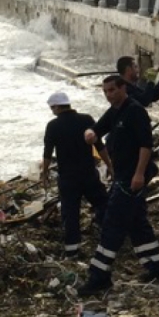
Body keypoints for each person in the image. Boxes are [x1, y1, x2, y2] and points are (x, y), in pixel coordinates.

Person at [77, 75, 159, 296]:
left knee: (112, 224)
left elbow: (145, 145)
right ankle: (158, 267)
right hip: (121, 176)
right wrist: (90, 133)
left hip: (131, 178)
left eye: (112, 90)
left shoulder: (135, 111)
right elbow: (98, 128)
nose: (109, 95)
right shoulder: (116, 111)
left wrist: (139, 174)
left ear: (123, 88)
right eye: (106, 92)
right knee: (137, 223)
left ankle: (99, 276)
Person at [42, 91, 109, 260]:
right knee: (103, 203)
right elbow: (100, 145)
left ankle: (72, 250)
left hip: (68, 177)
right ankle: (110, 237)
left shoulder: (53, 126)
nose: (52, 111)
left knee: (70, 212)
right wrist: (110, 165)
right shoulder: (86, 120)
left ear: (57, 107)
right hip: (88, 174)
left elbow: (48, 152)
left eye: (52, 108)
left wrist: (44, 173)